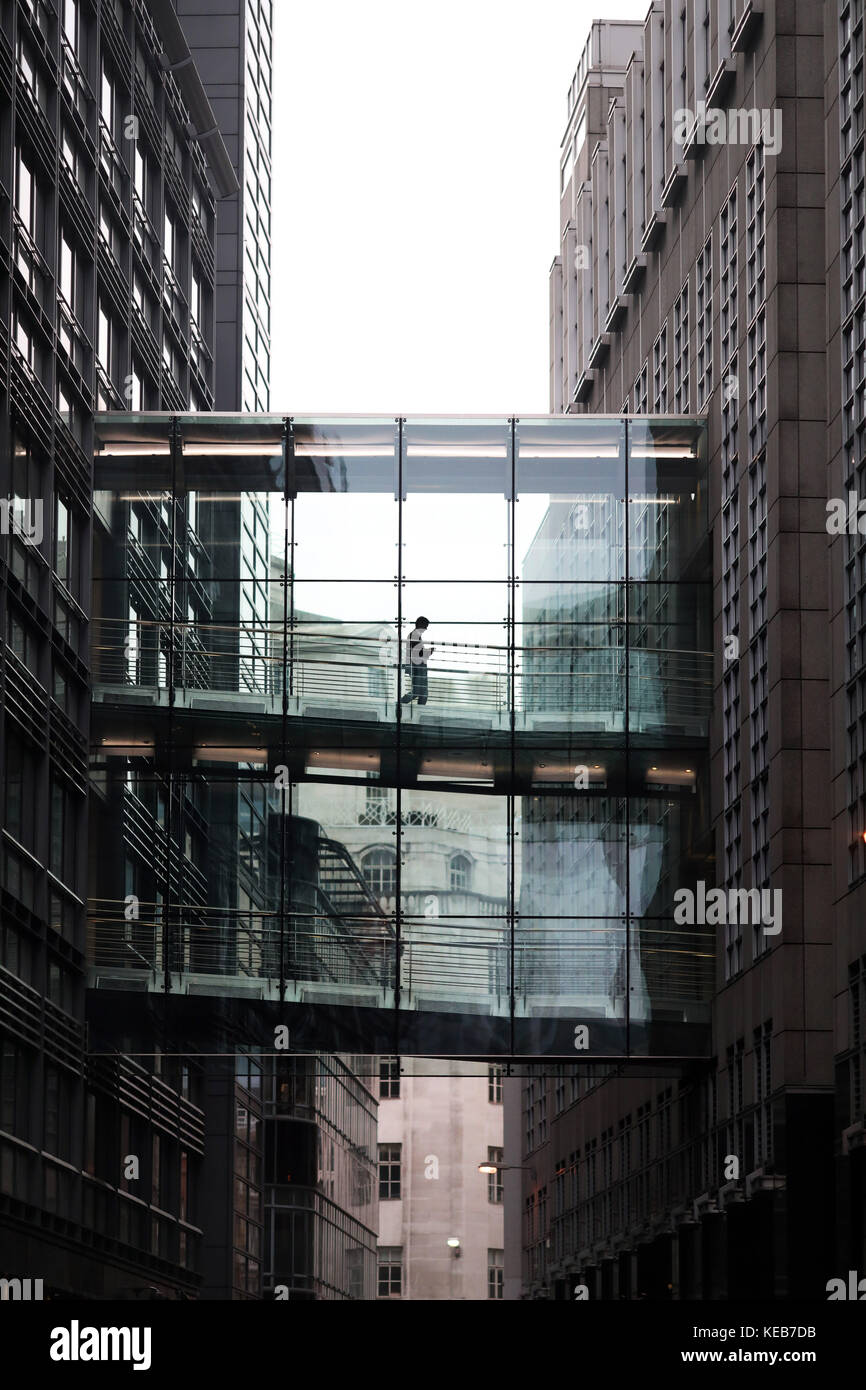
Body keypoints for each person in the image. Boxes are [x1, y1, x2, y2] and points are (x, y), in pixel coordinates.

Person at [401, 616, 433, 705]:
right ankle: (398, 704)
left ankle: (400, 705)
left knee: (422, 693)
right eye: (425, 626)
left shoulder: (414, 635)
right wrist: (429, 652)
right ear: (420, 624)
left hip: (417, 667)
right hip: (417, 668)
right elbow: (418, 653)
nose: (426, 628)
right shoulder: (414, 635)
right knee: (420, 692)